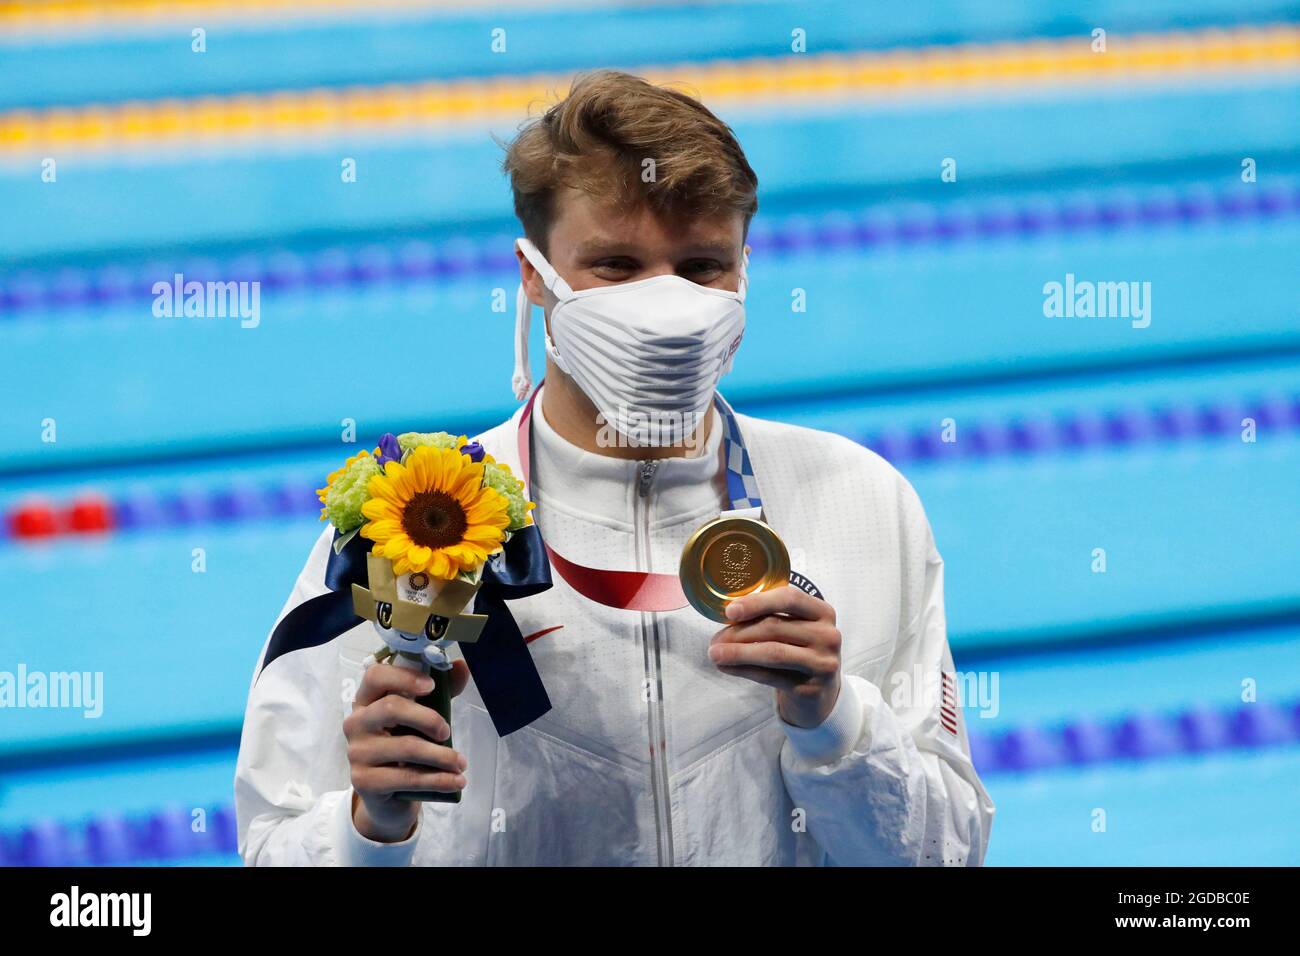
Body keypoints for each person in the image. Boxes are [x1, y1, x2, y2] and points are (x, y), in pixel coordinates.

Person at [235, 69, 994, 866]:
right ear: (534, 274)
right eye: (616, 265)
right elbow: (271, 841)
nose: (665, 307)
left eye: (701, 267)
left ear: (745, 269)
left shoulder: (861, 503)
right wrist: (372, 830)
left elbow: (947, 854)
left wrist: (834, 719)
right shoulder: (410, 520)